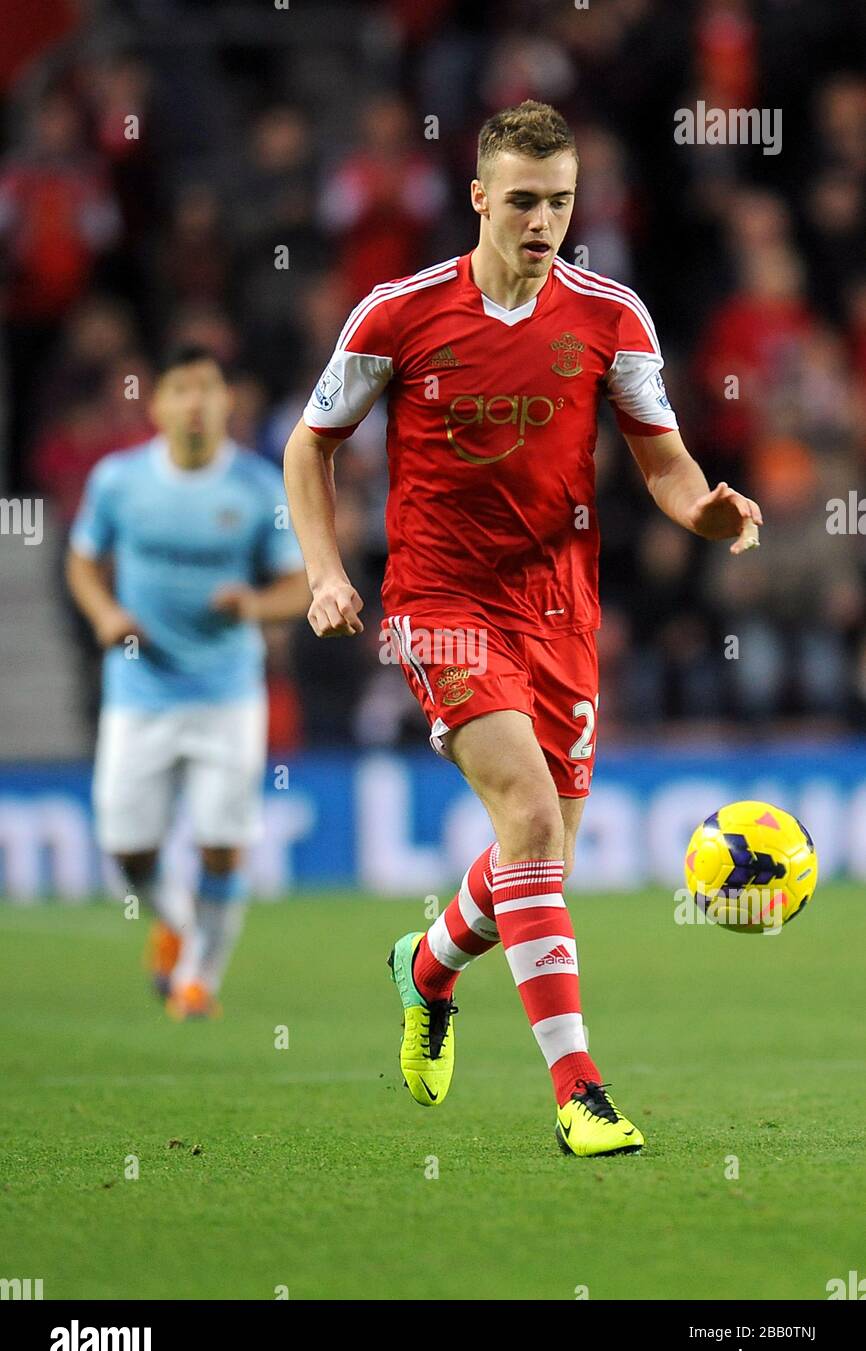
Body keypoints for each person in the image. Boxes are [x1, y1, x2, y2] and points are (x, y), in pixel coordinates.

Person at [283, 101, 762, 1156]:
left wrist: (701, 508)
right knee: (531, 826)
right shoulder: (396, 314)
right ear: (477, 200)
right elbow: (307, 447)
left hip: (561, 615)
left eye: (558, 201)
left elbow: (662, 456)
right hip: (438, 603)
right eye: (522, 201)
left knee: (530, 864)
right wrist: (324, 572)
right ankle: (578, 1091)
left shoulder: (611, 316)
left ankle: (426, 966)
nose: (542, 221)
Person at [67, 345, 309, 1018]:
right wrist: (106, 611)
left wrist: (255, 606)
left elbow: (300, 586)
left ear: (228, 403)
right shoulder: (119, 481)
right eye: (181, 390)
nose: (195, 403)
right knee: (127, 849)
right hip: (139, 690)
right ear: (158, 406)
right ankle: (174, 923)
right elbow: (83, 561)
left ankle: (198, 978)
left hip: (227, 692)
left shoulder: (259, 489)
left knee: (222, 845)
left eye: (208, 389)